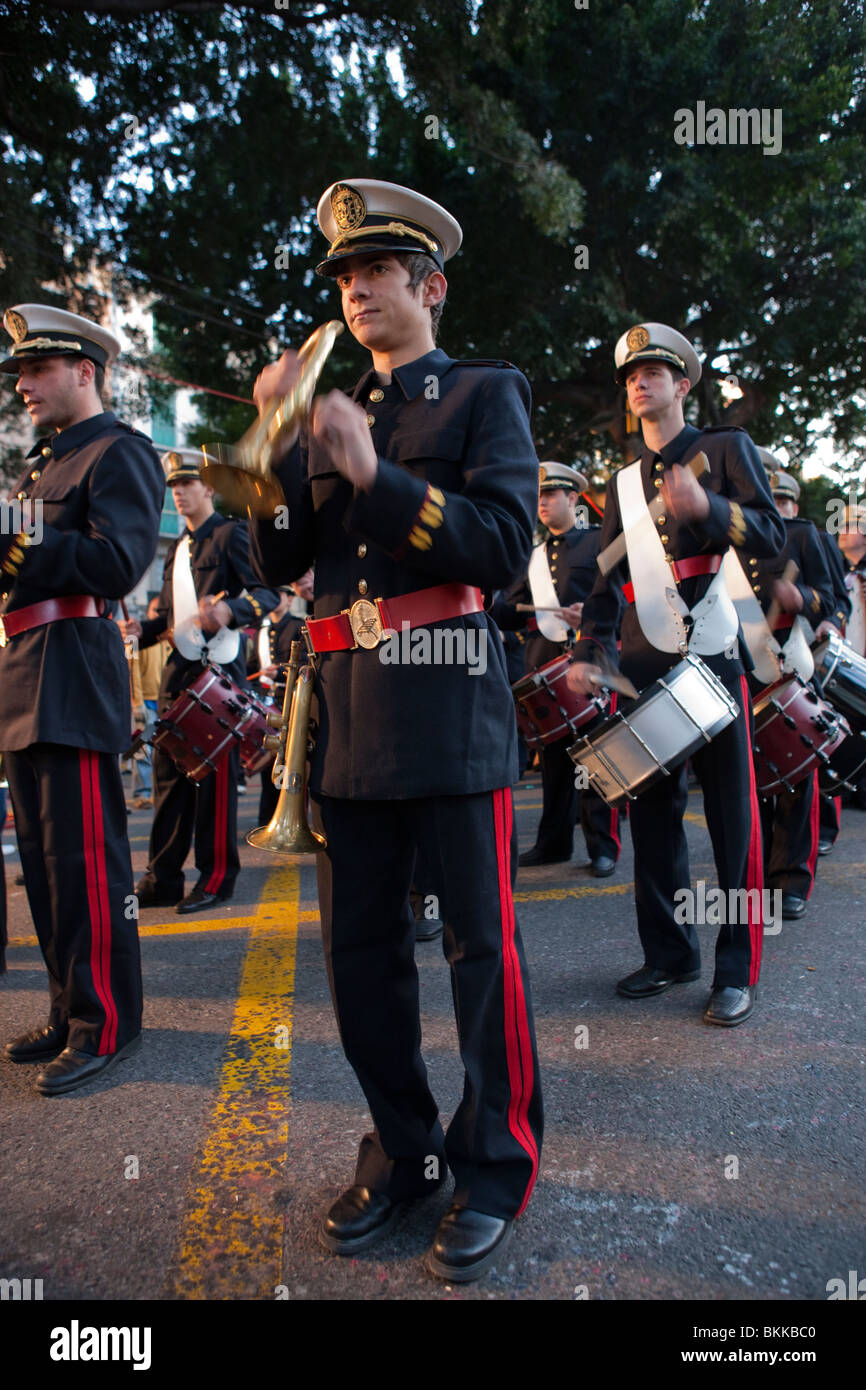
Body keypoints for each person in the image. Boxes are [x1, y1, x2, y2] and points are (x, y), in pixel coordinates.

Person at [248, 178, 542, 1282]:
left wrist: (372, 475)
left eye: (376, 271)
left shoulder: (480, 393)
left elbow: (499, 543)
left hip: (452, 701)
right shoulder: (329, 416)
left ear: (429, 285)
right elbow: (279, 559)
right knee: (360, 958)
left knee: (479, 951)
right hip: (351, 716)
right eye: (343, 275)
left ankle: (494, 1165)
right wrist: (282, 444)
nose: (356, 288)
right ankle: (405, 1155)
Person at [568, 322, 785, 1027]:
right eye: (632, 375)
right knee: (653, 817)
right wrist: (587, 653)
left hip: (718, 651)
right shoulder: (622, 483)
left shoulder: (725, 449)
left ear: (683, 384)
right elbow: (603, 581)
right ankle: (669, 953)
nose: (640, 382)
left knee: (731, 819)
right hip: (642, 659)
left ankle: (734, 967)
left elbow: (774, 537)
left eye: (655, 371)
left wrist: (712, 509)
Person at [0, 303, 163, 1094]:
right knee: (41, 860)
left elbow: (117, 563)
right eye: (20, 373)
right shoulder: (38, 466)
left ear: (85, 372)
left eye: (36, 370)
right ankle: (70, 1008)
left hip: (73, 660)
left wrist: (17, 536)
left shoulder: (118, 452)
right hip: (27, 664)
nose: (23, 386)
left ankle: (107, 1021)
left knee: (87, 863)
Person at [120, 447, 279, 913]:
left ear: (209, 488)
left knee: (215, 789)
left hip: (219, 675)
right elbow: (172, 617)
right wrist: (140, 630)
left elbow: (267, 592)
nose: (178, 493)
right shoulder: (177, 549)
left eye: (186, 484)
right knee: (170, 785)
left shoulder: (231, 535)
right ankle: (163, 877)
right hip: (179, 675)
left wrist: (233, 609)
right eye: (173, 487)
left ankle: (215, 880)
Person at [494, 461, 622, 874]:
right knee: (553, 762)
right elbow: (508, 612)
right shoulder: (530, 556)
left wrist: (591, 614)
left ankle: (604, 846)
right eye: (538, 497)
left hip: (588, 662)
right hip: (545, 668)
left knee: (599, 758)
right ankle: (554, 844)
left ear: (572, 498)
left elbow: (621, 597)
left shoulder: (596, 543)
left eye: (550, 495)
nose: (542, 503)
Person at [745, 463, 834, 919]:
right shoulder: (733, 534)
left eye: (782, 500)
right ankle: (759, 874)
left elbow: (831, 596)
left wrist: (805, 600)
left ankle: (793, 880)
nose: (775, 508)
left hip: (792, 659)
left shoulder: (803, 535)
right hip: (745, 662)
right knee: (751, 779)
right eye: (769, 498)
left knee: (798, 778)